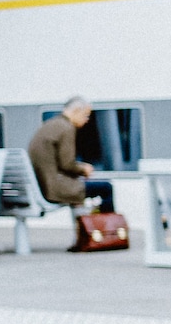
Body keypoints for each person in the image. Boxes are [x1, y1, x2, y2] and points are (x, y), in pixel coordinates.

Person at [27, 97, 115, 243]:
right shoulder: (66, 128)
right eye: (86, 115)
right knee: (106, 187)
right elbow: (67, 164)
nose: (87, 120)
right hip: (55, 187)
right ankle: (108, 233)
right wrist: (84, 168)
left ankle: (84, 237)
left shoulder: (50, 125)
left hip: (43, 184)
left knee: (87, 188)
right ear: (75, 111)